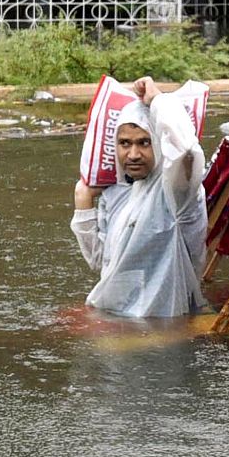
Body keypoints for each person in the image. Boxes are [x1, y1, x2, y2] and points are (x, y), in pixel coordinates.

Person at [71, 77, 208, 317]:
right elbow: (102, 262)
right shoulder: (119, 194)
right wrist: (83, 202)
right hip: (116, 315)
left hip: (164, 323)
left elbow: (185, 149)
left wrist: (157, 100)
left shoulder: (177, 192)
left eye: (144, 143)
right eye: (125, 143)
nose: (133, 154)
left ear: (158, 142)